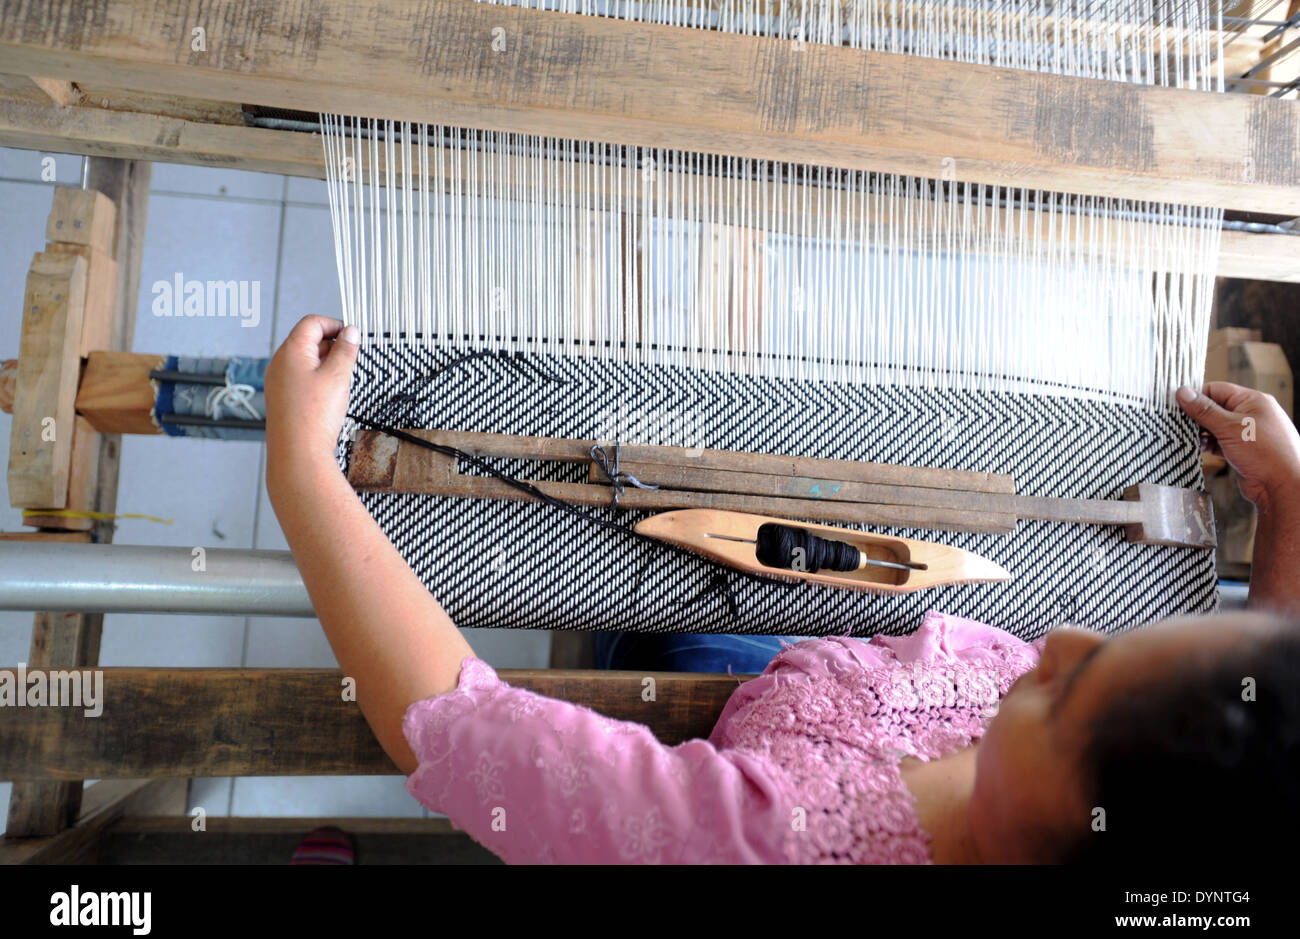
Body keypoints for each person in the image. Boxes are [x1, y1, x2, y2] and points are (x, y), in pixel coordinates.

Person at [265, 316, 1300, 864]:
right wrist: (1289, 497)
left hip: (741, 681)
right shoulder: (1167, 836)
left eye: (1078, 688)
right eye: (1124, 641)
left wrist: (304, 470)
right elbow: (1261, 721)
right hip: (869, 640)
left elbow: (451, 722)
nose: (1069, 635)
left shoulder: (755, 844)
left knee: (676, 630)